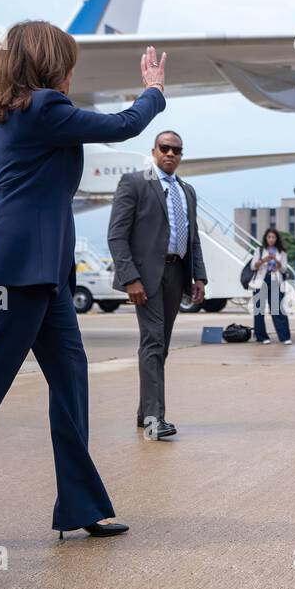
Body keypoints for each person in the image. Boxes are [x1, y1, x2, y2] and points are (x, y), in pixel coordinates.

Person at [0, 22, 166, 553]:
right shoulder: (44, 108)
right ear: (47, 63)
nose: (72, 72)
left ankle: (81, 506)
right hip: (23, 272)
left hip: (39, 272)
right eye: (68, 60)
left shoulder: (4, 119)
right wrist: (154, 91)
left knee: (70, 381)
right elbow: (124, 125)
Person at [109, 130, 207, 438]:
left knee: (160, 346)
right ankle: (154, 420)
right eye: (164, 148)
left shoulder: (187, 191)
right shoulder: (135, 183)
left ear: (181, 155)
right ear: (154, 150)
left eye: (176, 150)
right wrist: (130, 278)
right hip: (146, 277)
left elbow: (193, 238)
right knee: (152, 343)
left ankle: (144, 412)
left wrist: (199, 276)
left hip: (177, 276)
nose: (170, 154)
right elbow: (117, 235)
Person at [249, 227, 293, 344]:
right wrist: (264, 260)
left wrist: (277, 261)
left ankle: (285, 337)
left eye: (273, 237)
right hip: (261, 280)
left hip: (275, 280)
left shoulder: (282, 252)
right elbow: (253, 266)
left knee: (277, 308)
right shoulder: (260, 250)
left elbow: (283, 269)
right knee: (259, 309)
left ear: (276, 239)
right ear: (266, 238)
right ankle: (261, 336)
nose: (271, 239)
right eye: (269, 237)